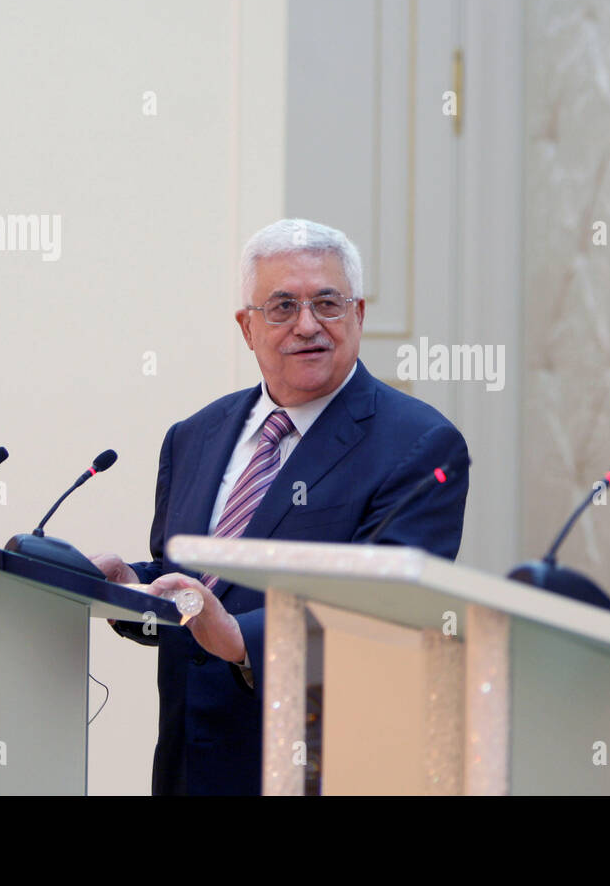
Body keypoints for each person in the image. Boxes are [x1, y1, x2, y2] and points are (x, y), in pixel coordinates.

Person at [93, 218, 469, 795]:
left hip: (323, 772)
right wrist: (128, 591)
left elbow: (386, 610)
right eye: (282, 306)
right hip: (188, 769)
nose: (307, 325)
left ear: (359, 315)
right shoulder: (193, 436)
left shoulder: (420, 445)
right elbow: (198, 586)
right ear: (247, 327)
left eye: (328, 303)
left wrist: (242, 639)